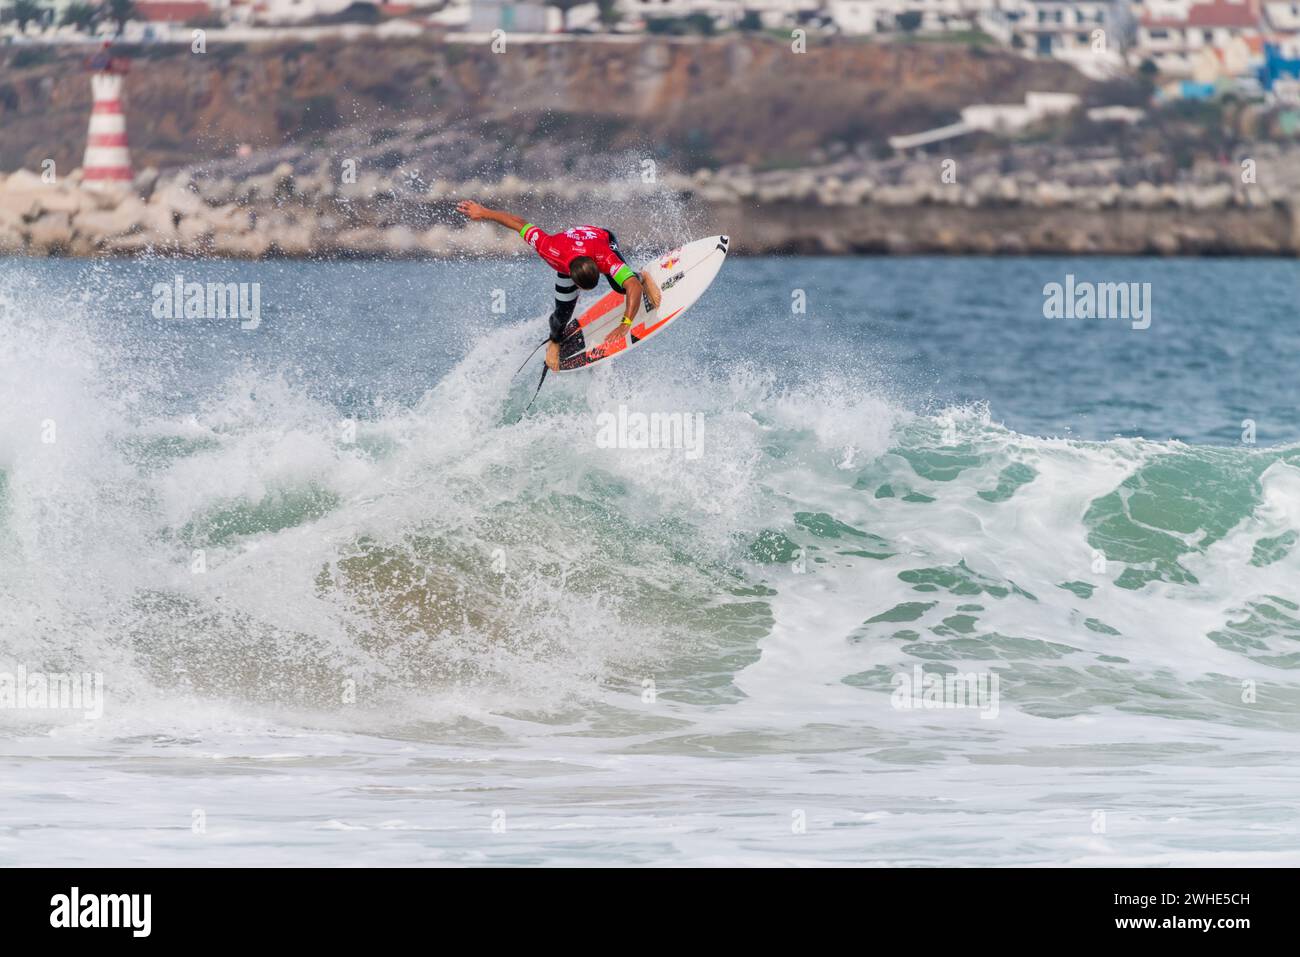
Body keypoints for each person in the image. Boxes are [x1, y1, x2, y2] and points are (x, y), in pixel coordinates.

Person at [456, 201, 661, 371]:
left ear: (599, 269)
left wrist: (626, 323)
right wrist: (483, 212)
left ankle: (644, 275)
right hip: (568, 252)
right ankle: (553, 342)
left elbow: (632, 286)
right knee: (561, 314)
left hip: (602, 238)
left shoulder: (604, 258)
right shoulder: (550, 248)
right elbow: (519, 223)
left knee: (622, 287)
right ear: (573, 278)